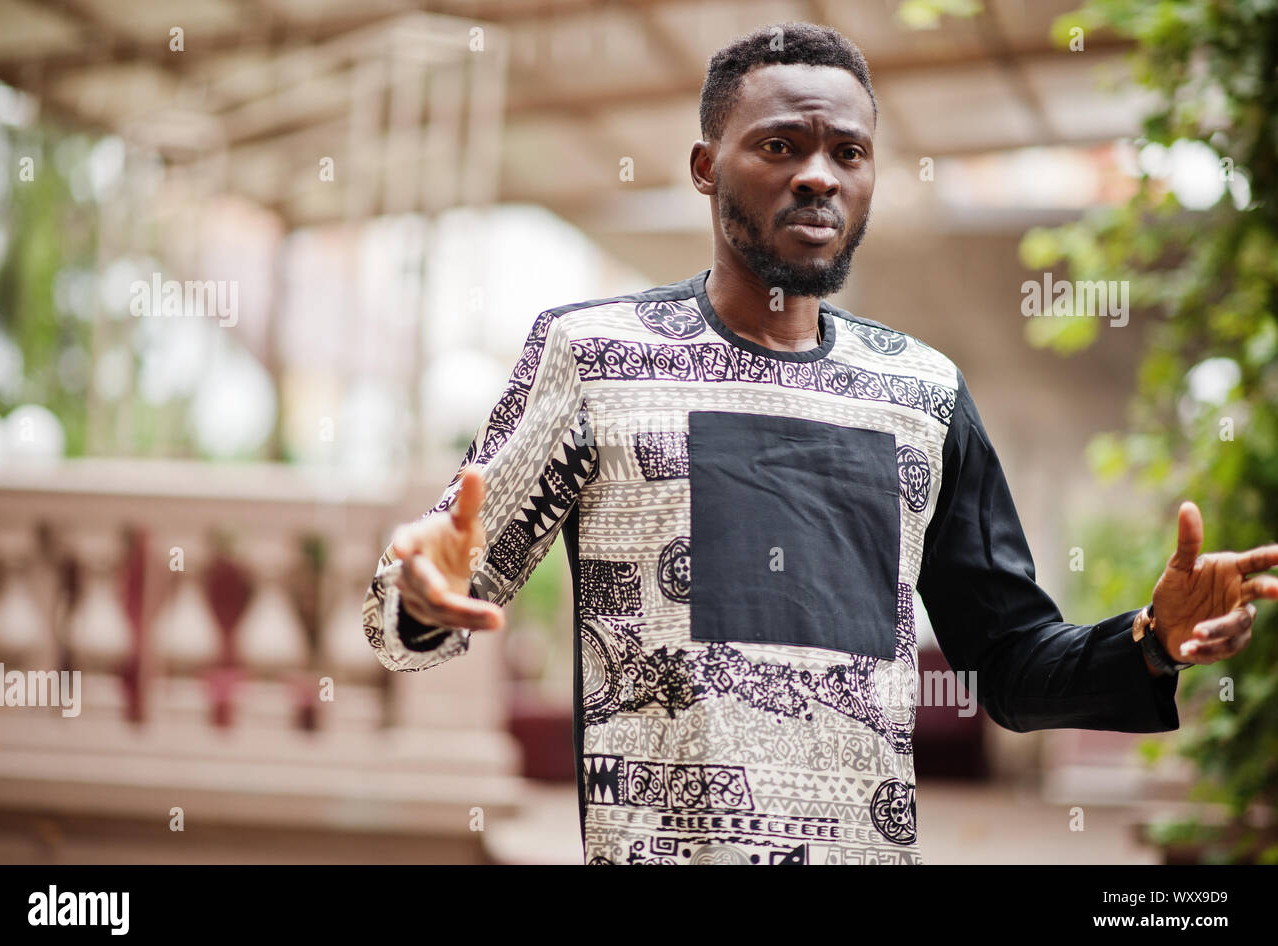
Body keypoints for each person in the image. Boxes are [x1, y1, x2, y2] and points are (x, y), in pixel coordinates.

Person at [361, 22, 1278, 864]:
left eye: (848, 152)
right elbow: (425, 608)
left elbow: (1006, 663)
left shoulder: (924, 391)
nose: (818, 175)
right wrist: (420, 593)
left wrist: (1151, 641)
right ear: (704, 167)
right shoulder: (594, 358)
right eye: (780, 146)